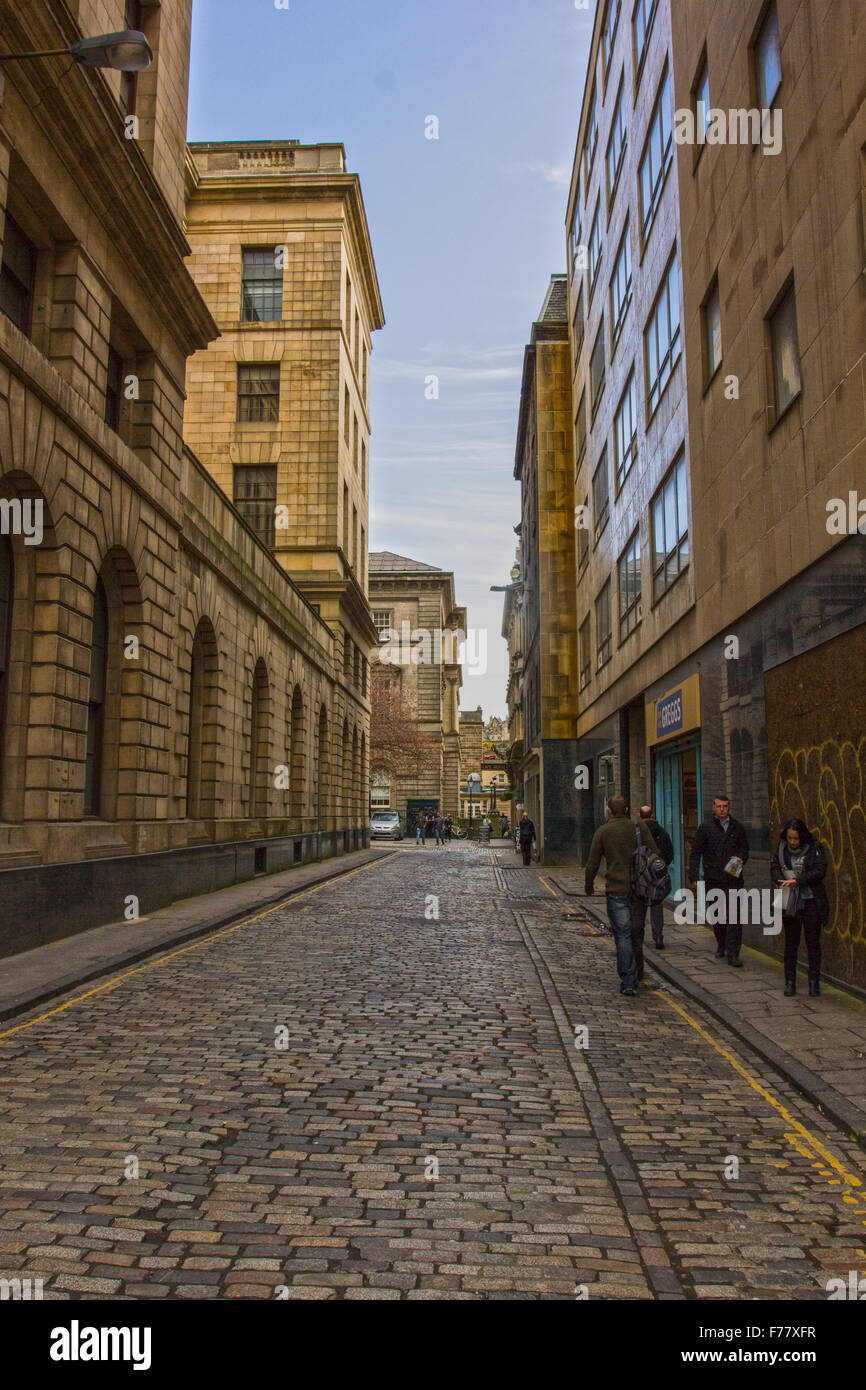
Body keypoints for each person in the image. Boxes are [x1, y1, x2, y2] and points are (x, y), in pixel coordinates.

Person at [584, 796, 659, 997]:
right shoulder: (639, 828)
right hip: (640, 890)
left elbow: (592, 862)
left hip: (616, 890)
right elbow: (654, 852)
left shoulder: (603, 831)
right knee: (637, 932)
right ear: (626, 810)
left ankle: (628, 980)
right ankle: (638, 972)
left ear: (609, 810)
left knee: (623, 935)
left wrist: (589, 884)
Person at [689, 795, 750, 967]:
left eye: (725, 806)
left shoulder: (737, 827)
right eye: (719, 806)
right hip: (713, 879)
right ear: (714, 807)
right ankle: (721, 944)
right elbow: (696, 853)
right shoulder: (705, 828)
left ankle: (733, 953)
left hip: (733, 879)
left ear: (729, 807)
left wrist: (741, 859)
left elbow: (745, 849)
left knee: (735, 917)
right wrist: (693, 876)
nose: (722, 809)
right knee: (717, 916)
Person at [770, 818, 828, 996]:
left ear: (802, 837)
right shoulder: (781, 848)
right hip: (791, 901)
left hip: (811, 901)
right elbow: (774, 867)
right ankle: (790, 982)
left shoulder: (814, 848)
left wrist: (798, 880)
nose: (793, 842)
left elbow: (820, 871)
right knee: (791, 943)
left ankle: (813, 982)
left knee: (813, 943)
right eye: (790, 838)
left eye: (796, 838)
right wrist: (780, 879)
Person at [630, 805, 675, 976]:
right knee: (656, 905)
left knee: (640, 908)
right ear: (653, 815)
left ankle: (640, 935)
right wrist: (661, 867)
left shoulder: (637, 832)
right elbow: (669, 853)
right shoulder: (662, 832)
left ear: (639, 816)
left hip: (641, 877)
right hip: (656, 877)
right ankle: (658, 936)